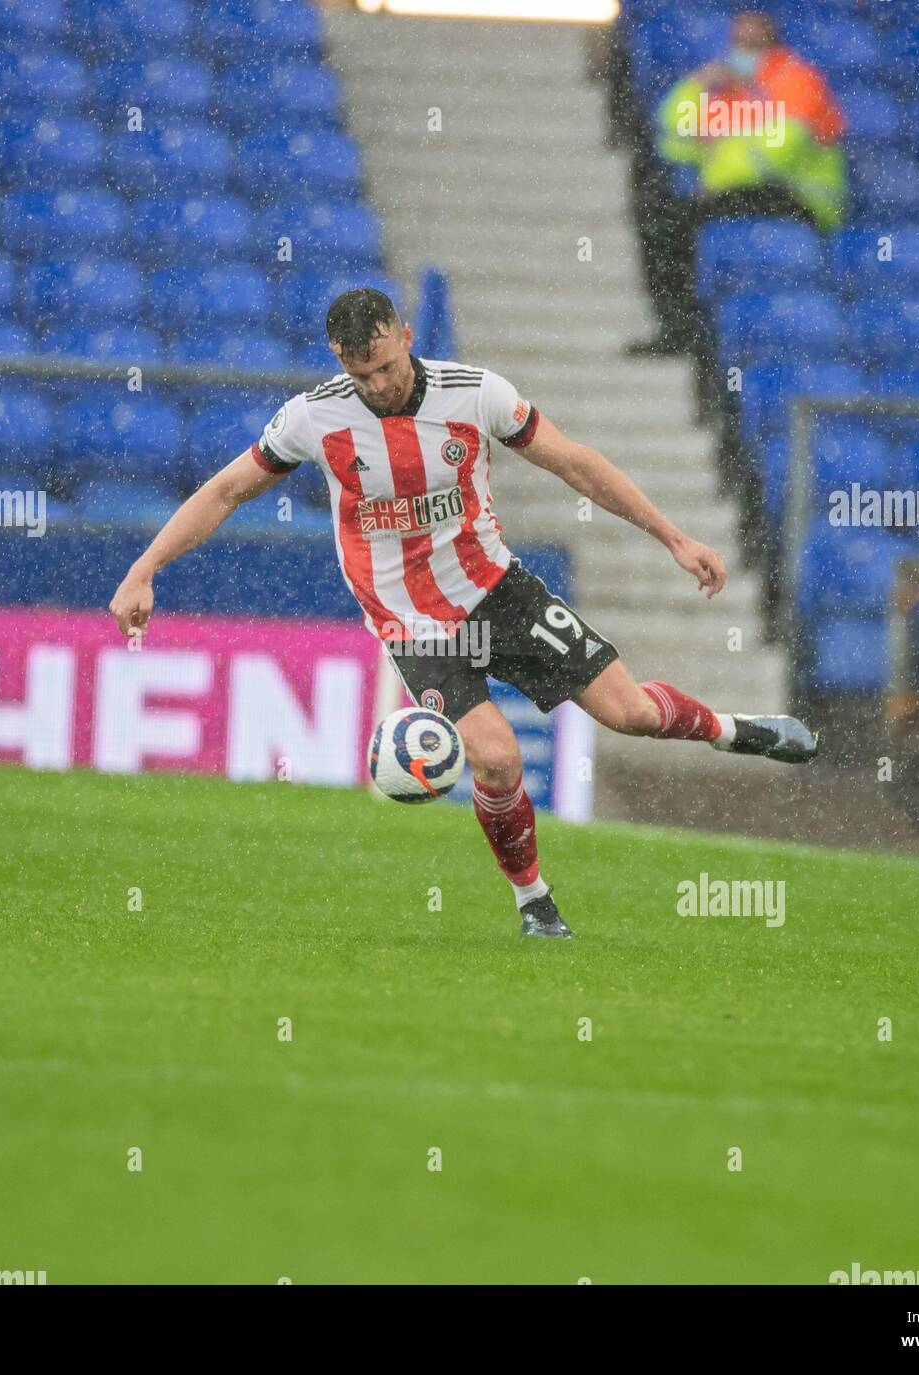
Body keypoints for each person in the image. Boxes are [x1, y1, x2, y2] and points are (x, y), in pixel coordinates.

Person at [110, 289, 819, 939]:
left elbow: (574, 463)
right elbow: (229, 489)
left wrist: (674, 537)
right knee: (498, 757)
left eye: (387, 365)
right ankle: (534, 901)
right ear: (339, 362)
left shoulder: (476, 395)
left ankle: (734, 729)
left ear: (407, 336)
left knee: (630, 712)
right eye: (363, 376)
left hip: (495, 587)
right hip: (410, 623)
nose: (379, 384)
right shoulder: (313, 417)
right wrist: (145, 569)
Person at [626, 10, 846, 358]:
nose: (742, 51)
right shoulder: (728, 90)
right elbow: (672, 136)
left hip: (797, 198)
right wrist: (698, 84)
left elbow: (779, 150)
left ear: (773, 45)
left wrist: (715, 180)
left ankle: (694, 335)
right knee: (660, 219)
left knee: (680, 222)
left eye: (752, 43)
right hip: (741, 193)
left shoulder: (797, 80)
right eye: (738, 42)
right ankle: (678, 328)